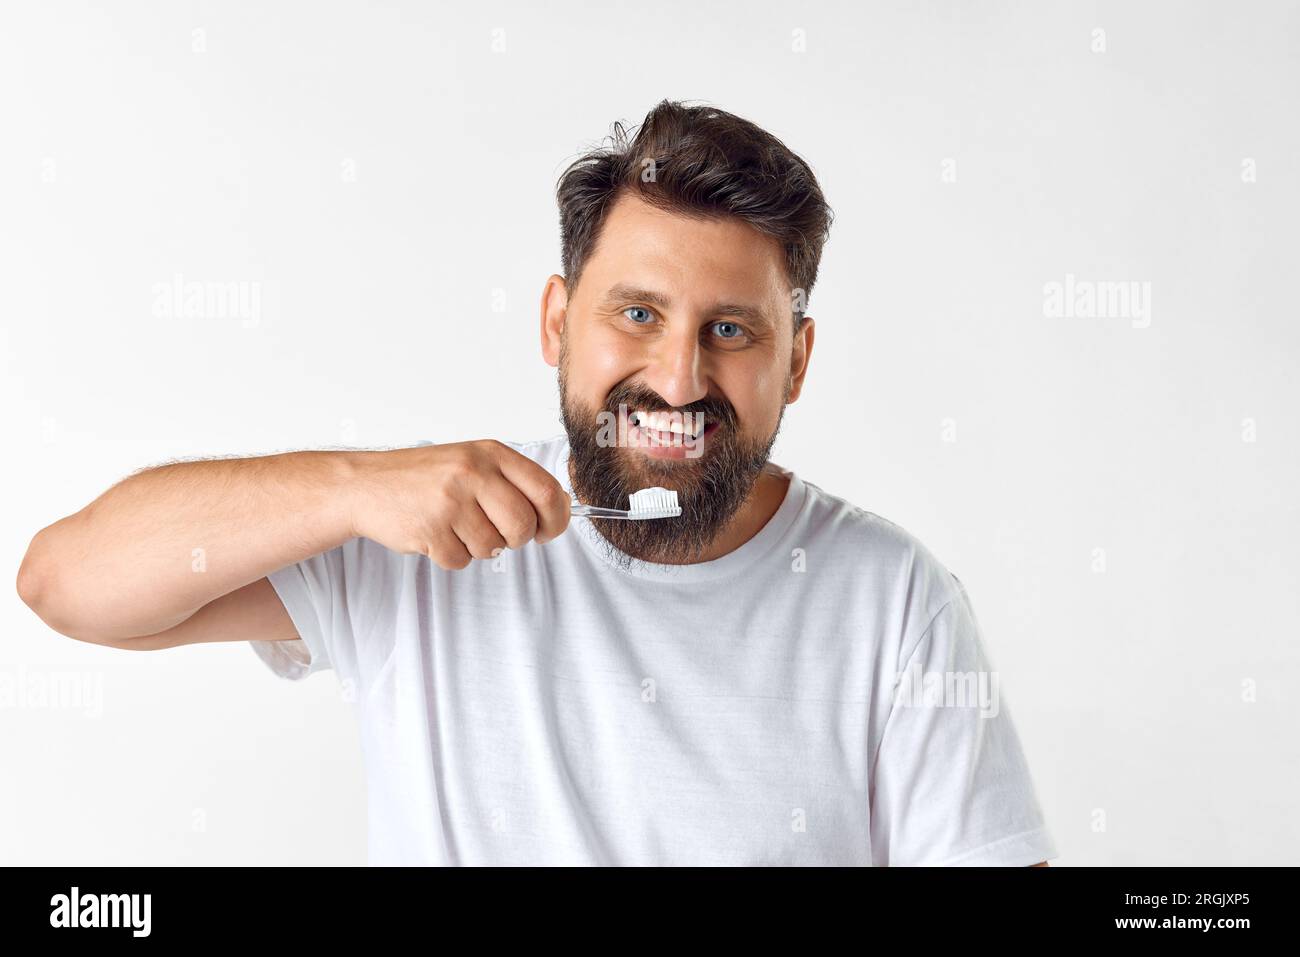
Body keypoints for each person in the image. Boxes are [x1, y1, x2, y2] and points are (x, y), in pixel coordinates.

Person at [16, 99, 1056, 867]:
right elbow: (67, 582)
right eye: (636, 315)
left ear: (797, 359)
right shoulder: (417, 539)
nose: (679, 379)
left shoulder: (895, 604)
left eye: (729, 331)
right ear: (557, 320)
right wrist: (346, 487)